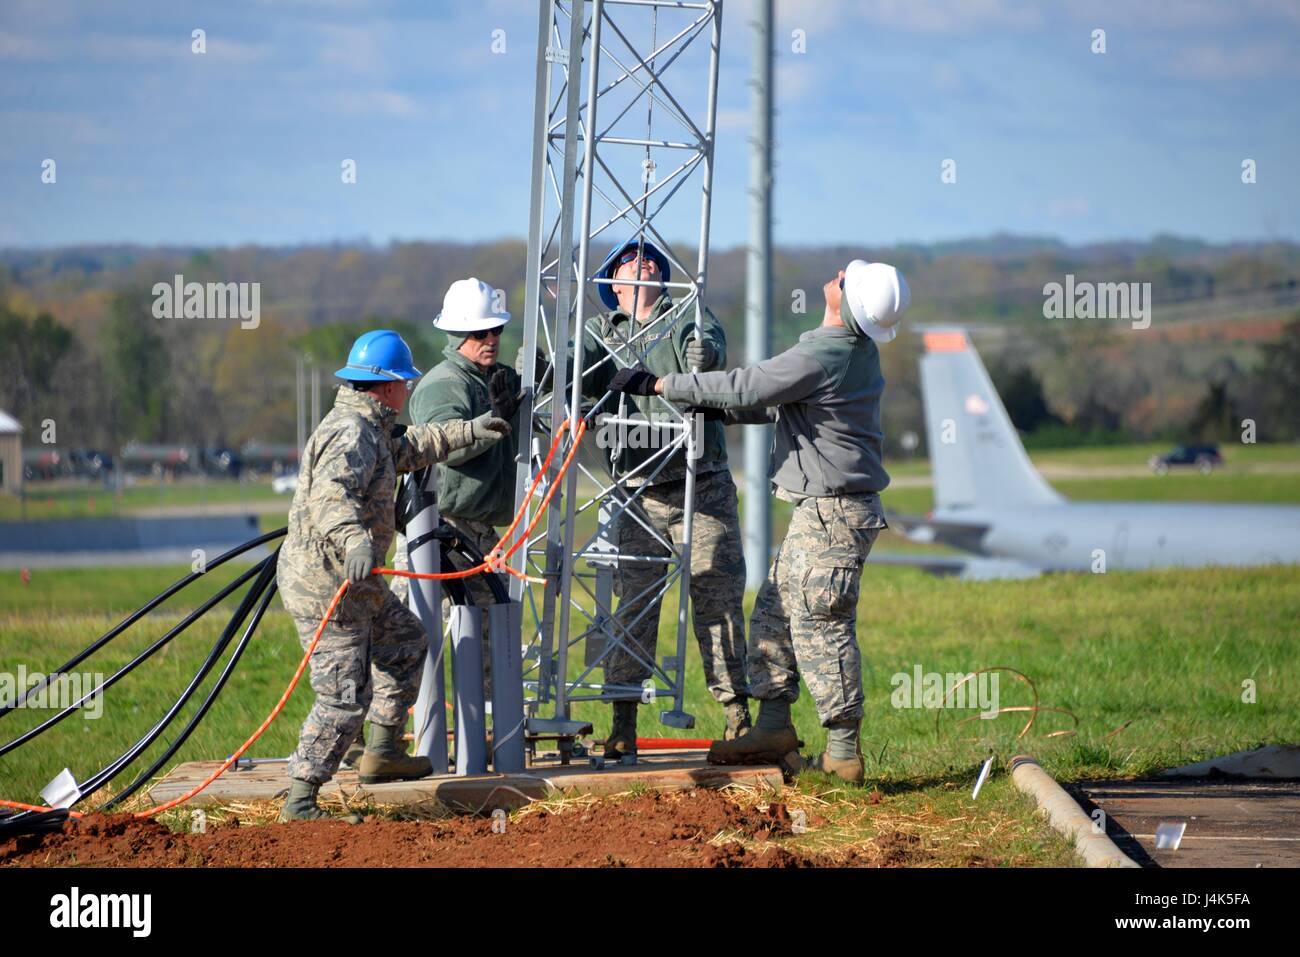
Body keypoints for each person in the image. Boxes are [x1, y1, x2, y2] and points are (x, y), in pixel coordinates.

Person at [608, 260, 909, 783]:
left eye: (843, 277)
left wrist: (659, 385)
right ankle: (773, 725)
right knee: (773, 616)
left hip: (835, 513)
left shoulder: (827, 353)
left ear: (847, 297)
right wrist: (716, 408)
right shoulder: (852, 351)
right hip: (821, 510)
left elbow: (752, 385)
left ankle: (842, 753)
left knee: (821, 623)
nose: (836, 272)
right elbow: (772, 402)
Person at [529, 239, 751, 758]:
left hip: (701, 481)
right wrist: (549, 370)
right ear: (613, 285)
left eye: (651, 257)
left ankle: (737, 714)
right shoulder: (599, 334)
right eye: (629, 259)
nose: (643, 262)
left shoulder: (686, 316)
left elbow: (710, 345)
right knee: (632, 608)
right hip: (635, 490)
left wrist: (706, 354)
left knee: (716, 598)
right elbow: (572, 366)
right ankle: (623, 717)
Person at [277, 329, 510, 822]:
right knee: (343, 698)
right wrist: (356, 541)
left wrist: (473, 430)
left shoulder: (374, 428)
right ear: (385, 387)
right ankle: (300, 801)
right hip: (329, 589)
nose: (408, 390)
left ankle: (382, 752)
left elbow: (418, 445)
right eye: (403, 382)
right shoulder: (351, 433)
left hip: (356, 584)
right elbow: (331, 497)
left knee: (406, 641)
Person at [390, 277, 522, 692]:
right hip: (441, 530)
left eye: (495, 330)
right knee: (409, 637)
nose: (490, 339)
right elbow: (440, 447)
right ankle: (369, 734)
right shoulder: (446, 384)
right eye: (479, 332)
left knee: (486, 638)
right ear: (457, 334)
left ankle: (484, 735)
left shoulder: (493, 380)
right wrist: (493, 425)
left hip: (478, 533)